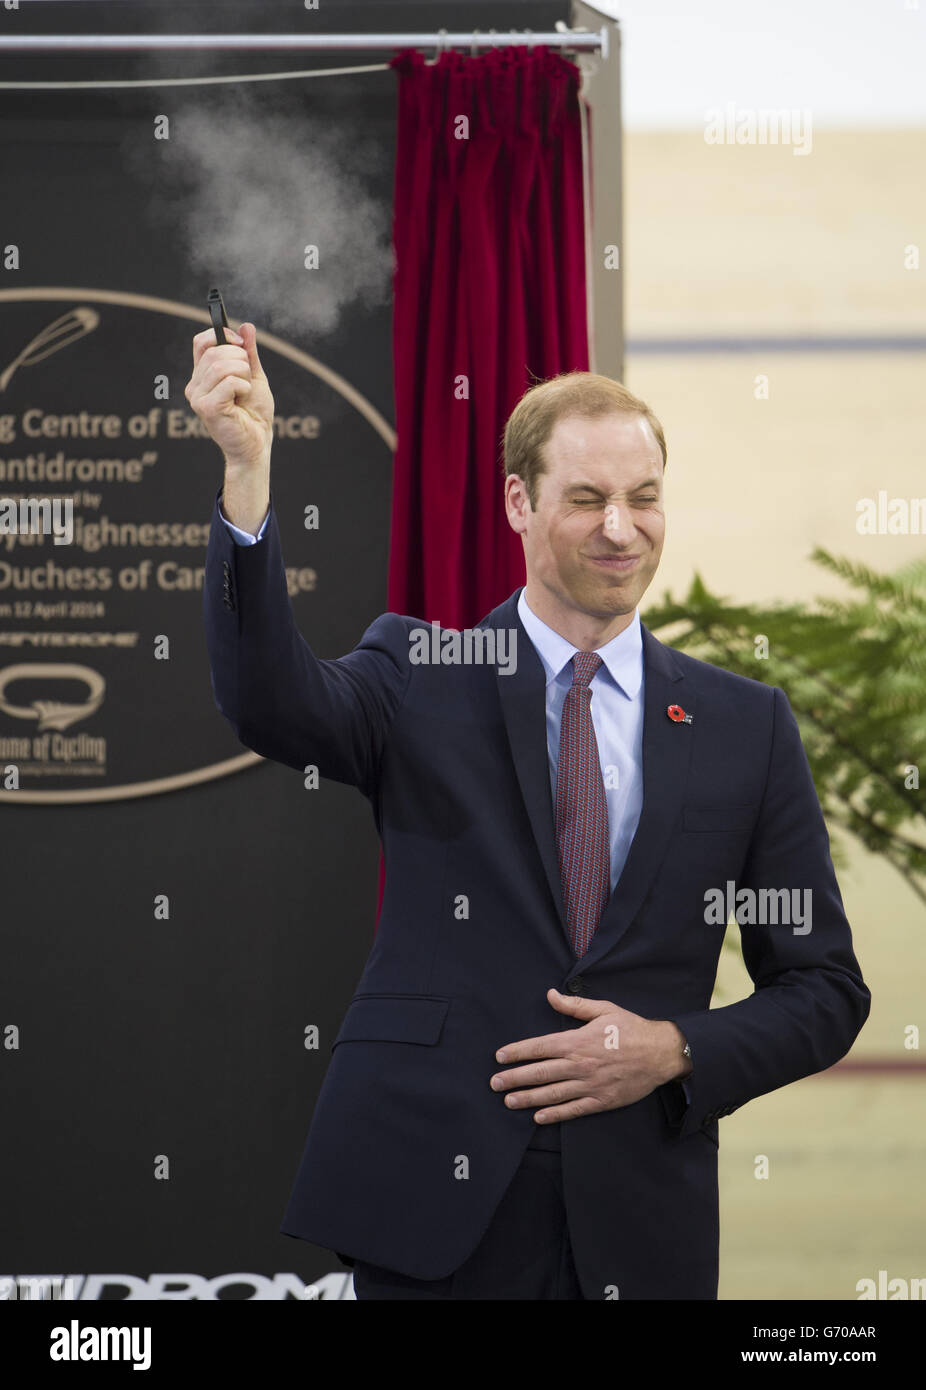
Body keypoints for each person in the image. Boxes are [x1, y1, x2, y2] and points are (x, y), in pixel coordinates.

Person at [185, 323, 870, 1300]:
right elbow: (269, 698)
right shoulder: (423, 671)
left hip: (639, 1224)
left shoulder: (741, 725)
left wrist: (671, 1047)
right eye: (585, 499)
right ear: (517, 500)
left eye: (642, 499)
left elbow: (823, 989)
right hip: (432, 1214)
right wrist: (246, 474)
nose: (619, 530)